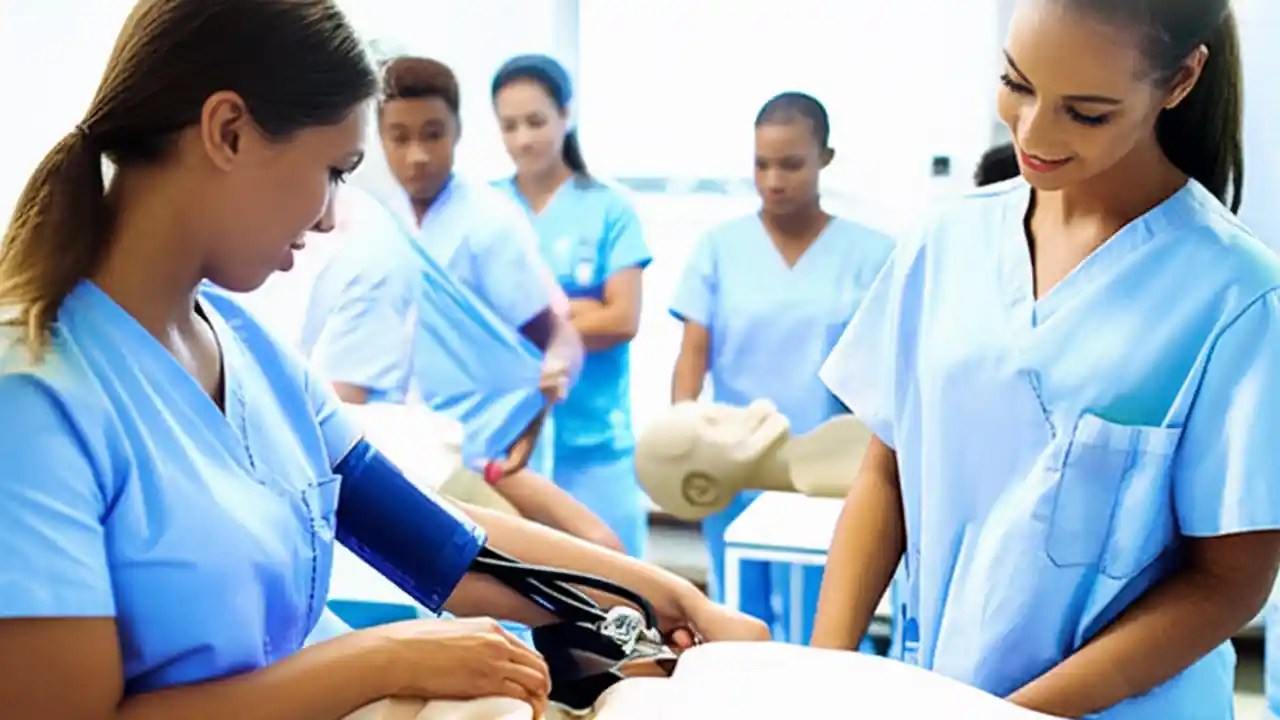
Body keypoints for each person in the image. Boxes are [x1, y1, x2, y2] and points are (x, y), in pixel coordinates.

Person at [0, 2, 767, 717]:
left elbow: (436, 540)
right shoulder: (35, 399)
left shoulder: (245, 348)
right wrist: (386, 659)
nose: (333, 214)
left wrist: (664, 596)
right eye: (334, 170)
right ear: (228, 131)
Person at [813, 1, 1280, 718]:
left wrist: (1014, 716)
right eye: (1017, 83)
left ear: (1181, 80)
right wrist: (820, 681)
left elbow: (1228, 584)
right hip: (939, 693)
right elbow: (888, 472)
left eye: (1086, 113)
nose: (1033, 131)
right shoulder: (946, 243)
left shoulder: (1236, 295)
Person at [668, 92, 895, 645]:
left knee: (832, 614)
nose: (773, 179)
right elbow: (692, 354)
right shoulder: (719, 249)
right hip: (734, 465)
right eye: (761, 164)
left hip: (829, 473)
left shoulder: (874, 254)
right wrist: (680, 442)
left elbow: (890, 374)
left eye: (791, 164)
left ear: (826, 158)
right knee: (738, 612)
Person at [358, 55, 580, 481]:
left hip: (484, 449)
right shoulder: (379, 224)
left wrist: (554, 375)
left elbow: (559, 337)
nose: (417, 155)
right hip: (402, 444)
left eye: (433, 135)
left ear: (458, 130)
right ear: (379, 138)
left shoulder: (490, 223)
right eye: (398, 137)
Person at [491, 54, 652, 560]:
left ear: (566, 115)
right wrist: (578, 310)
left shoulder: (609, 209)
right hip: (504, 446)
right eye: (509, 125)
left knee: (618, 595)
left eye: (536, 121)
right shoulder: (483, 210)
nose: (523, 139)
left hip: (596, 445)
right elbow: (467, 322)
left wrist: (527, 320)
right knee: (512, 603)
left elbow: (623, 319)